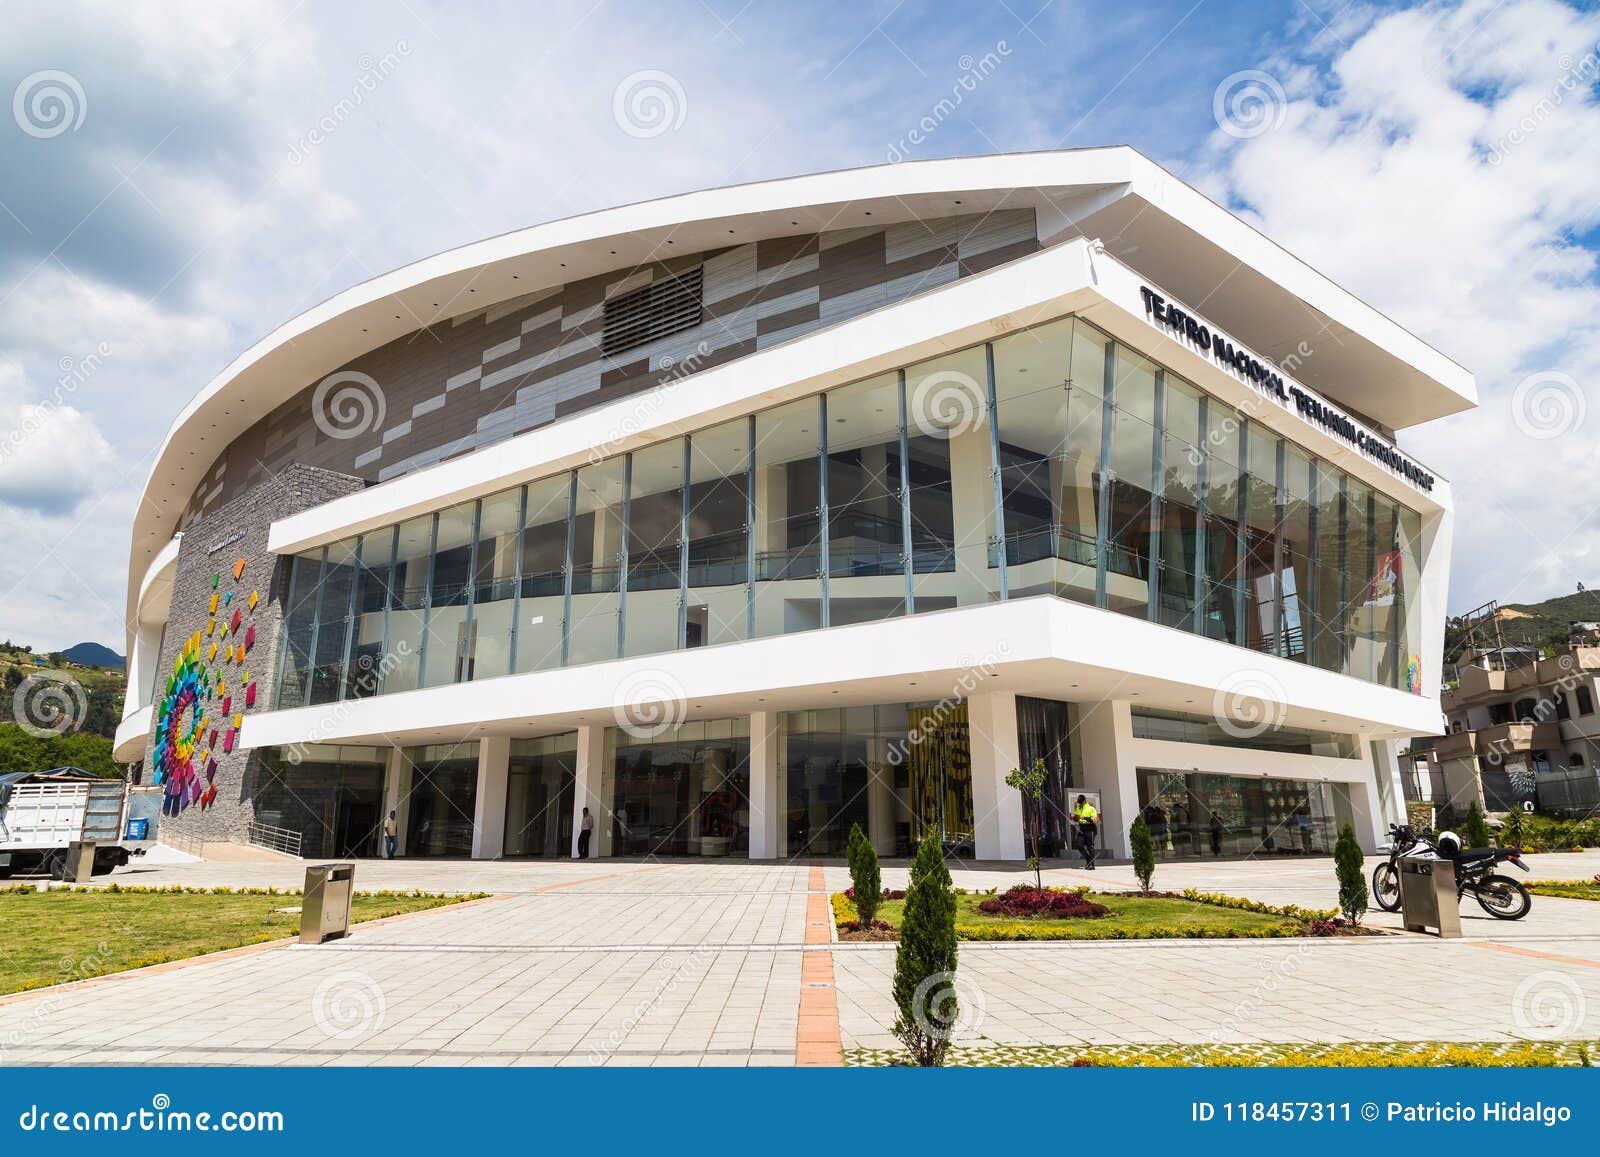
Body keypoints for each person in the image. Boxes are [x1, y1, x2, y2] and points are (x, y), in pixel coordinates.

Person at [1071, 794, 1099, 870]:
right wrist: (1075, 818)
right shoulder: (1078, 808)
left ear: (1084, 801)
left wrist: (1083, 817)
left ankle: (1091, 865)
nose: (1079, 804)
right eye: (1079, 802)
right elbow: (1076, 818)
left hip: (1090, 828)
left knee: (1090, 847)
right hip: (1082, 828)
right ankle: (1088, 859)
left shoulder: (1091, 808)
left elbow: (1095, 820)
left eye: (1080, 802)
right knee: (1079, 846)